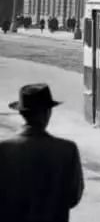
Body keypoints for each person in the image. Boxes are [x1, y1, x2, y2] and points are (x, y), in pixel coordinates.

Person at [0, 83, 84, 222]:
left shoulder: (3, 150)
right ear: (47, 113)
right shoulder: (67, 150)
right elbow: (73, 197)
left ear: (21, 113)